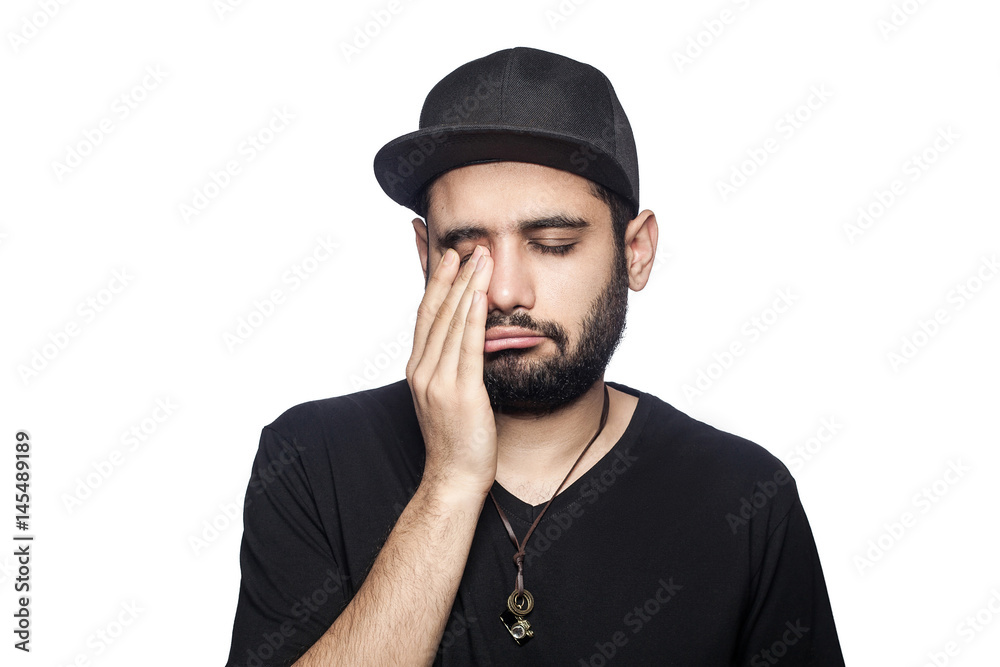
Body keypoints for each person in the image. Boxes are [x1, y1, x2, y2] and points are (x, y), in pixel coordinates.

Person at [225, 46, 846, 666]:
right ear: (425, 254)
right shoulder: (310, 460)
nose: (503, 292)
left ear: (636, 252)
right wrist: (449, 484)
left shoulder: (744, 495)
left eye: (552, 244)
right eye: (466, 250)